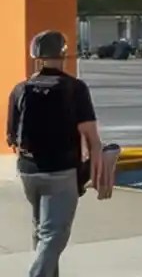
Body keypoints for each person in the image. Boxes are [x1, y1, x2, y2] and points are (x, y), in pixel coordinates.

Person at [6, 30, 102, 277]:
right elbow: (91, 138)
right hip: (60, 172)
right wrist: (96, 170)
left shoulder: (19, 90)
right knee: (54, 235)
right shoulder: (74, 88)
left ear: (35, 57)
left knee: (41, 231)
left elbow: (12, 139)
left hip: (28, 172)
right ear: (64, 55)